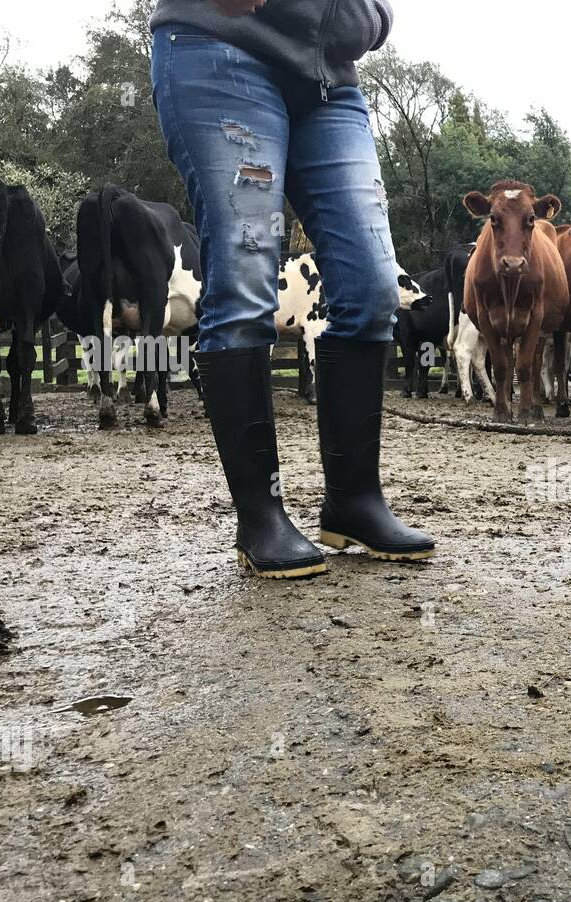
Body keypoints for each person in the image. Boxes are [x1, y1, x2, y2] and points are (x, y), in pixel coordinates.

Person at [149, 0, 433, 578]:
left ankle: (353, 502)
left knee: (374, 288)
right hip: (219, 50)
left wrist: (367, 19)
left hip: (331, 83)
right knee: (247, 280)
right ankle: (261, 517)